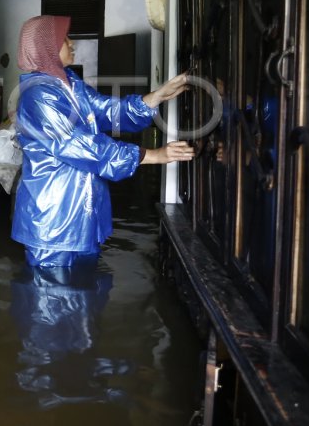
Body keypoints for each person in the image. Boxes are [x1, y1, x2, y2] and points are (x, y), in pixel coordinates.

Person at [13, 15, 193, 267]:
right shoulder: (37, 96)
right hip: (54, 218)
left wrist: (156, 97)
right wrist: (150, 155)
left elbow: (109, 111)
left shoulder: (70, 84)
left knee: (84, 293)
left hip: (83, 209)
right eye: (64, 38)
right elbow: (78, 146)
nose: (71, 43)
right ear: (46, 46)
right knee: (51, 297)